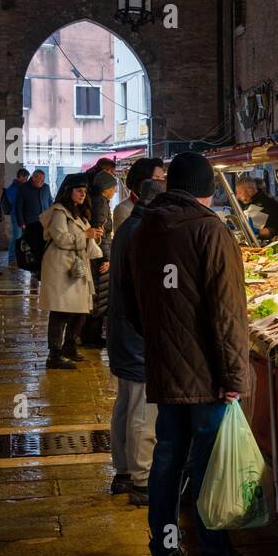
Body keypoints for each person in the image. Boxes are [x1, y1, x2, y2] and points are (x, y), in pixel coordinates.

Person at [124, 151, 271, 556]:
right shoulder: (210, 231)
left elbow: (133, 304)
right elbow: (228, 315)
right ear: (208, 190)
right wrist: (234, 377)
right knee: (210, 468)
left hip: (166, 371)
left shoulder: (142, 229)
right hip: (206, 375)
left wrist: (162, 344)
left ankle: (164, 549)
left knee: (167, 460)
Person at [108, 178, 164, 506]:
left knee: (126, 402)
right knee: (144, 406)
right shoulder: (143, 232)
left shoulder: (130, 226)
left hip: (122, 331)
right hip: (137, 336)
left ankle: (124, 470)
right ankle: (142, 481)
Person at [38, 176, 105, 370]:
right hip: (60, 267)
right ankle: (54, 354)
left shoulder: (80, 214)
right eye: (79, 191)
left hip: (76, 267)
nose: (83, 194)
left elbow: (84, 243)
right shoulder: (60, 212)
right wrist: (85, 235)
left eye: (84, 192)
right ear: (69, 192)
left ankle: (69, 346)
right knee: (60, 311)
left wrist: (94, 237)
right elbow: (60, 238)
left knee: (80, 310)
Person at [79, 169, 118, 347]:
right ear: (105, 188)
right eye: (113, 187)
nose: (115, 190)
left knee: (97, 296)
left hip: (96, 256)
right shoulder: (101, 203)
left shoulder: (99, 202)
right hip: (99, 258)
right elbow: (99, 234)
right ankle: (91, 337)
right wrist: (106, 259)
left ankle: (89, 335)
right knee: (99, 297)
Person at [113, 157, 165, 231]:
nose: (161, 183)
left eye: (162, 178)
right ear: (141, 180)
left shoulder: (163, 206)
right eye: (156, 178)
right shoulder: (123, 209)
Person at [0, 167, 30, 266]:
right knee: (16, 238)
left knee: (19, 237)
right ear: (20, 176)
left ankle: (17, 259)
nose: (26, 180)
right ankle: (12, 259)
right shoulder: (13, 188)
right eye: (25, 177)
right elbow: (16, 203)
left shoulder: (18, 187)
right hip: (16, 216)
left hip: (20, 216)